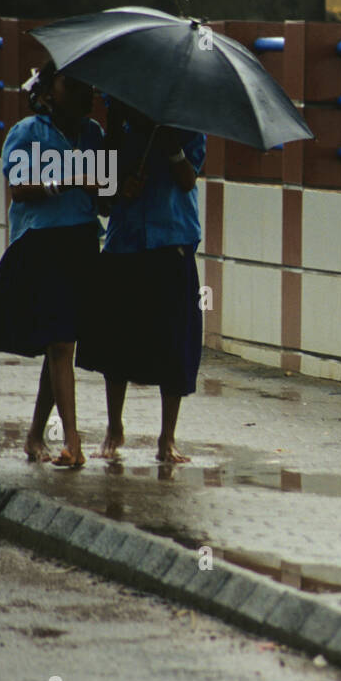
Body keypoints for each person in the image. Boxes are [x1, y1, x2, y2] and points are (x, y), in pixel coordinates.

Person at [0, 61, 104, 468]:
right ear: (47, 93)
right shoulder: (28, 133)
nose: (83, 93)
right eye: (72, 85)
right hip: (42, 244)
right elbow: (20, 190)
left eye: (87, 87)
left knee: (60, 342)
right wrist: (63, 180)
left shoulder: (95, 134)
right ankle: (73, 441)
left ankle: (34, 436)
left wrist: (116, 184)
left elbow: (104, 192)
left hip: (82, 241)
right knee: (61, 343)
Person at [76, 97, 205, 463]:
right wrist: (121, 188)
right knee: (118, 341)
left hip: (172, 240)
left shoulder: (188, 124)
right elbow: (102, 194)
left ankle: (168, 438)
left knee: (173, 343)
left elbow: (188, 179)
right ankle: (114, 427)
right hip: (126, 242)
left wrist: (171, 146)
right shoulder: (118, 129)